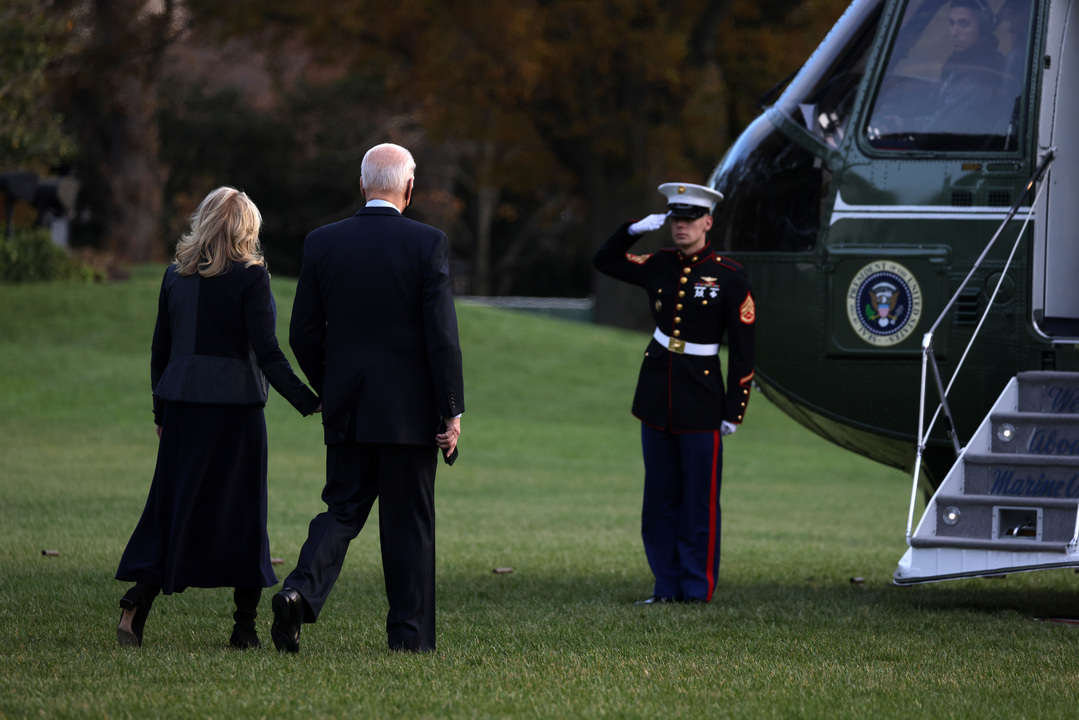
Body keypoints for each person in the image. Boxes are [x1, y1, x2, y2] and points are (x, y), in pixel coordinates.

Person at [272, 143, 464, 654]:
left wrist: (331, 383)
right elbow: (441, 336)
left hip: (348, 407)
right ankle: (409, 638)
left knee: (341, 510)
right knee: (409, 525)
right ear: (408, 188)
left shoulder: (322, 242)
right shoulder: (429, 243)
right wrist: (451, 409)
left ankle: (298, 591)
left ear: (362, 186)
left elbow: (302, 333)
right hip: (410, 414)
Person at [115, 187, 321, 649]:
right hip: (236, 414)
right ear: (247, 229)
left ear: (204, 223)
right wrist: (310, 400)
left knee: (172, 508)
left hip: (183, 408)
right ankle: (243, 628)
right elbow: (267, 352)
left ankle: (139, 598)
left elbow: (159, 353)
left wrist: (161, 412)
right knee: (243, 515)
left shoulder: (175, 276)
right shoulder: (252, 278)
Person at [593, 182, 755, 605]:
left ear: (708, 222)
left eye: (689, 219)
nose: (680, 226)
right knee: (659, 501)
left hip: (702, 399)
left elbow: (743, 350)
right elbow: (604, 260)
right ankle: (665, 587)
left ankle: (696, 590)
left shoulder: (730, 276)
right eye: (675, 219)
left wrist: (734, 409)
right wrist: (634, 229)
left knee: (698, 502)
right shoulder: (659, 264)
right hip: (656, 396)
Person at [924, 0, 1007, 136]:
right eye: (952, 23)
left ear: (982, 28)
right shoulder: (964, 61)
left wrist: (902, 126)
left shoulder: (977, 74)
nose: (954, 32)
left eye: (964, 24)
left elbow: (942, 129)